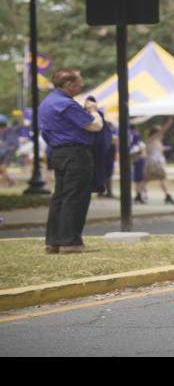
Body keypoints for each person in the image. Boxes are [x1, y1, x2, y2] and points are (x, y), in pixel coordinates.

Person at [39, 68, 104, 254]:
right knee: (76, 197)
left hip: (58, 153)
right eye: (79, 82)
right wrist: (93, 110)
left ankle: (53, 242)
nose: (82, 85)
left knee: (60, 197)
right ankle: (70, 243)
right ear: (68, 84)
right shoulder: (66, 104)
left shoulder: (47, 102)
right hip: (76, 153)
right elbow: (94, 126)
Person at [140, 117, 174, 205]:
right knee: (156, 178)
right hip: (155, 162)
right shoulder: (152, 139)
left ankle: (142, 194)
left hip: (156, 161)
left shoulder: (155, 141)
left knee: (150, 179)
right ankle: (142, 194)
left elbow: (158, 149)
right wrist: (169, 123)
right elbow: (162, 131)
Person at [130, 126, 148, 203]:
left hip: (136, 162)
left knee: (137, 180)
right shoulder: (139, 144)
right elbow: (143, 153)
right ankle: (140, 194)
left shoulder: (132, 143)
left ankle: (138, 194)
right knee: (140, 180)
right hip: (140, 162)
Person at [0, 116, 17, 187]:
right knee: (1, 169)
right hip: (2, 153)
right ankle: (11, 181)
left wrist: (3, 145)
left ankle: (4, 183)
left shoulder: (9, 131)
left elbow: (13, 144)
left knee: (2, 168)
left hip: (8, 153)